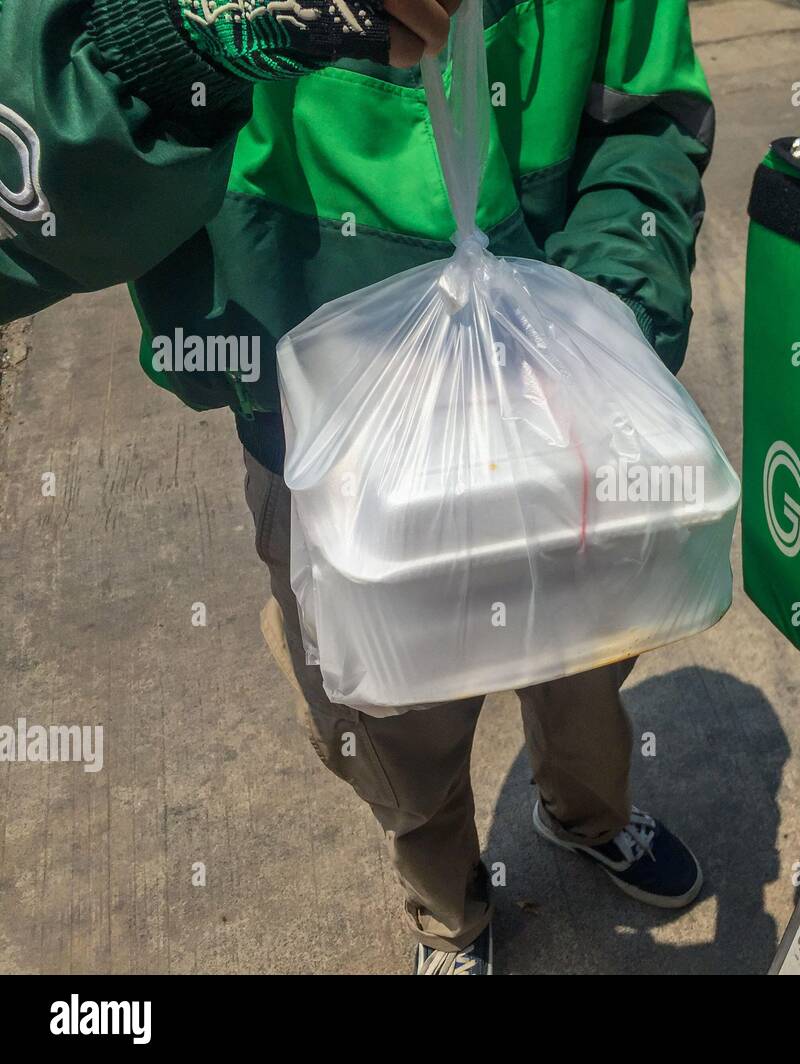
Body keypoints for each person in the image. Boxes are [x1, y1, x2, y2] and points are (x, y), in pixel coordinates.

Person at [0, 0, 715, 975]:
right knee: (383, 717)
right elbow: (39, 179)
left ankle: (587, 812)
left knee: (585, 662)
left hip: (559, 436)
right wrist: (174, 38)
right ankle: (448, 912)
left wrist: (612, 323)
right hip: (321, 440)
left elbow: (645, 119)